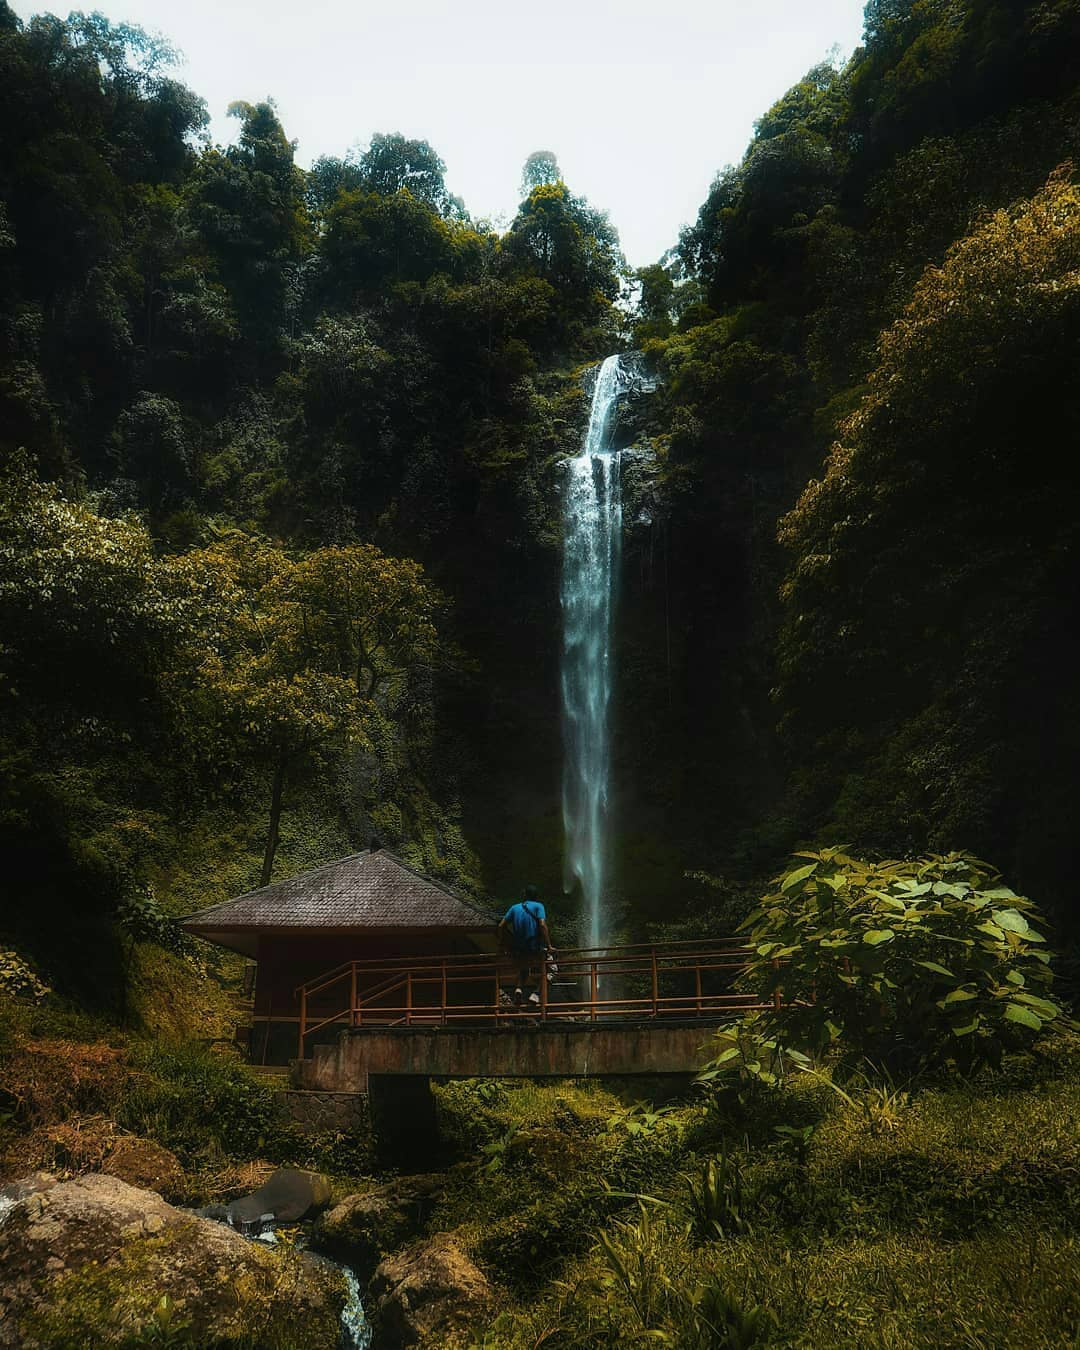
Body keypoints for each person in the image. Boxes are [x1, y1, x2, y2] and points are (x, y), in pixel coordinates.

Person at [498, 885, 552, 1007]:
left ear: (524, 895)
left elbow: (501, 926)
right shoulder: (539, 906)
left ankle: (518, 989)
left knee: (524, 969)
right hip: (535, 948)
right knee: (552, 969)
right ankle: (536, 994)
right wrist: (549, 945)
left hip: (518, 949)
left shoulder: (515, 908)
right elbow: (542, 925)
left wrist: (503, 943)